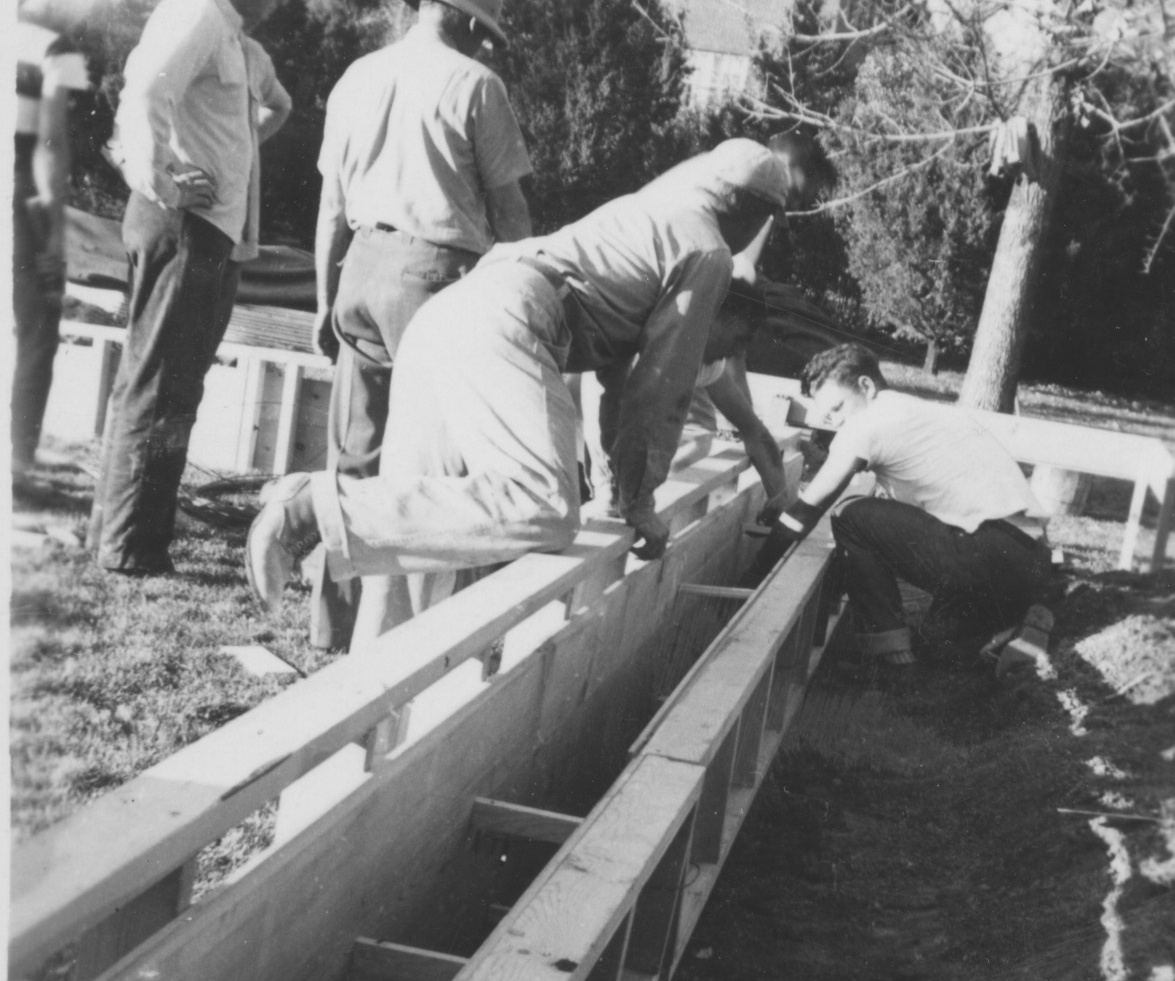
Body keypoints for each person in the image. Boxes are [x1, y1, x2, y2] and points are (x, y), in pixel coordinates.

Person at [246, 136, 832, 621]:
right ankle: (313, 507)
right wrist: (638, 501)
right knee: (545, 506)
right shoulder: (707, 250)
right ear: (753, 213)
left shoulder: (645, 215)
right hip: (510, 317)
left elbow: (621, 378)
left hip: (457, 307)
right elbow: (660, 387)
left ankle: (368, 736)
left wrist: (621, 494)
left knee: (412, 557)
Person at [309, 0, 532, 647]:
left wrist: (324, 298)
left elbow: (331, 205)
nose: (483, 43)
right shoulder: (476, 84)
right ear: (467, 21)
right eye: (482, 31)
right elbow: (511, 212)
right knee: (441, 464)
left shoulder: (359, 75)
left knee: (356, 451)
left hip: (360, 268)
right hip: (436, 273)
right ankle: (420, 631)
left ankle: (336, 624)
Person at [91, 0, 313, 575]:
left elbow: (274, 109)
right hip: (181, 226)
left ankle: (127, 532)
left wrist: (227, 161)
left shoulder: (227, 32)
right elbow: (143, 93)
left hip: (204, 231)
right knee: (159, 385)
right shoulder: (196, 13)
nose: (282, 4)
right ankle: (129, 546)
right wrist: (156, 178)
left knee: (166, 384)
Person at [753, 344, 1059, 671]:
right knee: (939, 650)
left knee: (850, 515)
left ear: (866, 387)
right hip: (1033, 557)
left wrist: (755, 577)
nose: (835, 421)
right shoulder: (922, 412)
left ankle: (889, 658)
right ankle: (1011, 625)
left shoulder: (867, 424)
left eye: (839, 408)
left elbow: (806, 512)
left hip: (985, 551)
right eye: (828, 415)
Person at [582, 279, 789, 521]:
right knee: (611, 505)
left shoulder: (709, 364)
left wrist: (779, 495)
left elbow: (754, 431)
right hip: (592, 415)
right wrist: (611, 486)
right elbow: (606, 418)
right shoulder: (648, 346)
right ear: (714, 317)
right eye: (739, 338)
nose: (738, 353)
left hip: (628, 440)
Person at [12, 9, 91, 475]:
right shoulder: (57, 49)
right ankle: (16, 465)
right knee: (37, 328)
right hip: (21, 192)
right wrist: (56, 235)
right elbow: (50, 143)